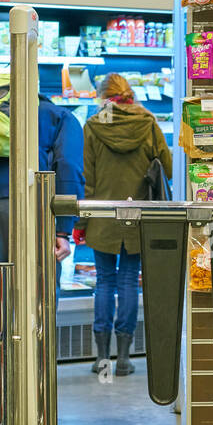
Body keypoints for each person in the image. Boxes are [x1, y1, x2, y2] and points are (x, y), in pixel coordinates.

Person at [0, 75, 84, 425]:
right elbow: (70, 171)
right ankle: (40, 418)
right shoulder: (61, 118)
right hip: (28, 208)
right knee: (37, 315)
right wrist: (63, 230)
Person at [75, 72, 172, 376]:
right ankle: (125, 358)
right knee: (129, 281)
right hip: (137, 214)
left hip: (102, 214)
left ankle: (101, 356)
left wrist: (81, 221)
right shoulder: (147, 122)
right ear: (130, 93)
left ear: (104, 96)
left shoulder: (93, 125)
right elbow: (166, 166)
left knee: (105, 281)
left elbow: (86, 177)